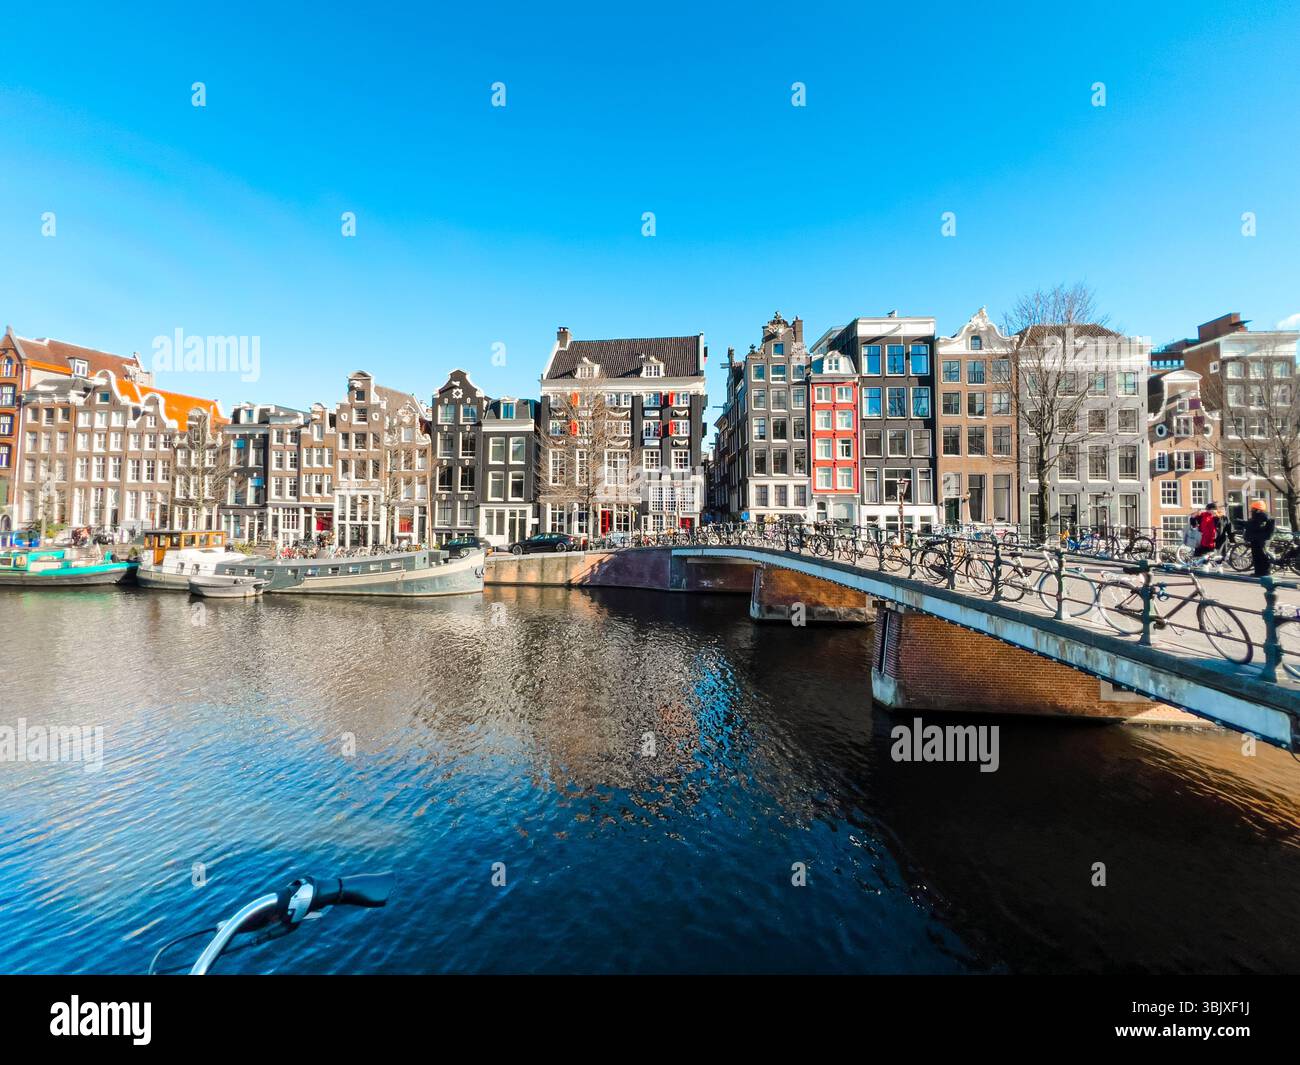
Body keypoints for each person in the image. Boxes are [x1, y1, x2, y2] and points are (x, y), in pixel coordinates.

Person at [1242, 500, 1276, 578]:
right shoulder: (1259, 516)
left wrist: (1245, 524)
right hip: (1256, 539)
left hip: (1261, 539)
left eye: (1253, 509)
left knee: (1261, 555)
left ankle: (1264, 572)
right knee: (1256, 555)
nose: (1251, 511)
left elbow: (1257, 527)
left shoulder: (1263, 517)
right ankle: (1258, 572)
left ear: (1258, 509)